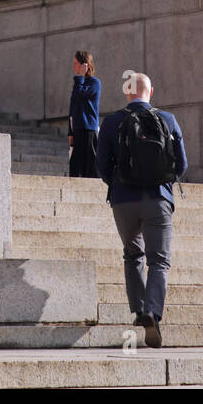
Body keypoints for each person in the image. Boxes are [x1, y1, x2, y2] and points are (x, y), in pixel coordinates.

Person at [96, 71, 187, 348]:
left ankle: (137, 310)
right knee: (159, 260)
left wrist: (119, 183)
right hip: (158, 198)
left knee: (132, 254)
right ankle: (152, 312)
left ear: (127, 92)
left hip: (123, 200)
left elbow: (101, 166)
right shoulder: (168, 120)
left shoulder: (112, 122)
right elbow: (181, 165)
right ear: (151, 91)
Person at [67, 51, 101, 178]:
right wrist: (70, 132)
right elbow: (72, 109)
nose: (73, 66)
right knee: (74, 166)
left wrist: (81, 76)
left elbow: (79, 95)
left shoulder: (94, 83)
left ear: (84, 65)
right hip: (77, 130)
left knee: (89, 166)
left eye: (76, 64)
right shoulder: (78, 83)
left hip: (88, 130)